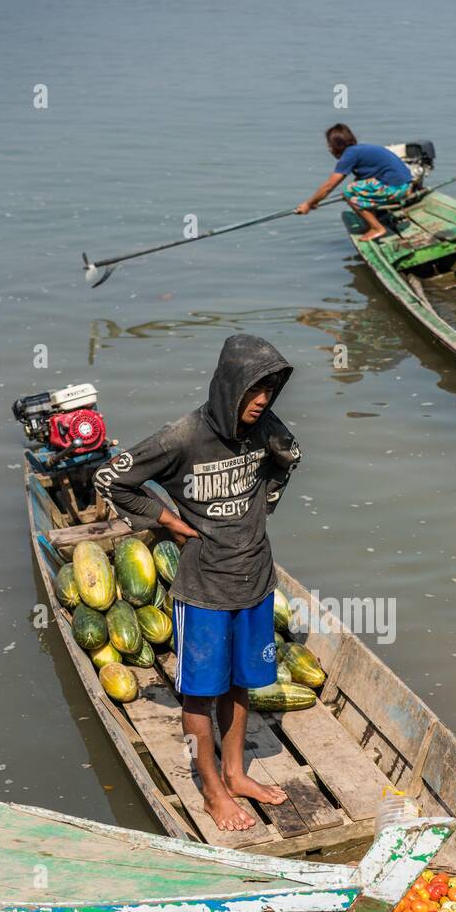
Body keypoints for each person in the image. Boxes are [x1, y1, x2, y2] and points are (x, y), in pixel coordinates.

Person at [93, 334, 301, 832]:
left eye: (269, 392)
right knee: (200, 693)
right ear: (230, 386)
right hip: (204, 589)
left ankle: (235, 772)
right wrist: (165, 518)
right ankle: (211, 789)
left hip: (254, 579)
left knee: (240, 685)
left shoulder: (267, 428)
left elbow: (289, 458)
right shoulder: (181, 438)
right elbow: (111, 479)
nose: (261, 402)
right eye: (253, 392)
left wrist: (260, 510)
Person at [296, 124, 412, 241]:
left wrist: (308, 204)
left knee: (349, 192)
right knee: (356, 187)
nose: (329, 149)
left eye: (329, 145)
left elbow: (329, 186)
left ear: (335, 146)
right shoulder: (359, 151)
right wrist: (316, 200)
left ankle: (377, 228)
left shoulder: (349, 155)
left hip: (395, 188)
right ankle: (374, 219)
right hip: (405, 185)